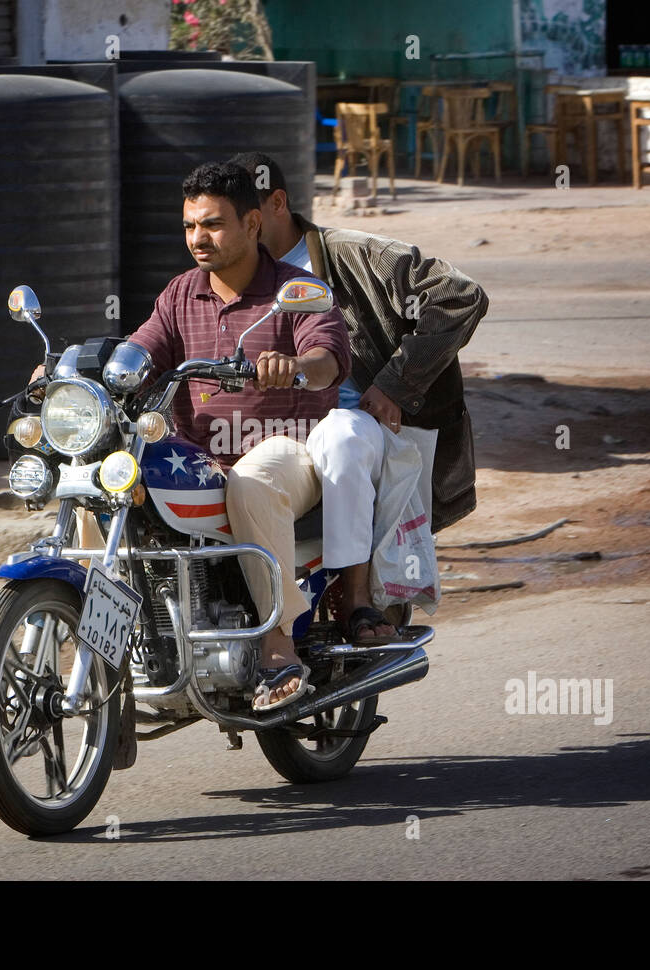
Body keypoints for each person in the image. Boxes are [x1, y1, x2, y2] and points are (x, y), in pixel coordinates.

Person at [228, 152, 488, 643]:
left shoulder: (354, 257)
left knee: (340, 433)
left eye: (246, 217)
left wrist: (395, 383)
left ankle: (355, 596)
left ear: (276, 205)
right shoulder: (222, 275)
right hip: (273, 440)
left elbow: (461, 295)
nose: (228, 232)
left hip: (357, 429)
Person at [126, 162, 350, 711]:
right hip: (200, 458)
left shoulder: (297, 291)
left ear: (253, 223)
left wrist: (296, 364)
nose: (198, 238)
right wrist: (70, 373)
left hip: (287, 451)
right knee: (108, 482)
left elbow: (329, 359)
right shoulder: (180, 294)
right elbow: (140, 351)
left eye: (213, 224)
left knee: (248, 483)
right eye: (189, 226)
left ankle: (279, 645)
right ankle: (125, 636)